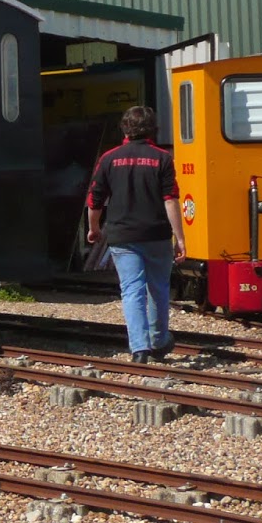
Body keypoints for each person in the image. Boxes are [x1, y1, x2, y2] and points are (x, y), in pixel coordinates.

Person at [86, 106, 186, 363]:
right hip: (156, 234)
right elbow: (170, 200)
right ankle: (159, 341)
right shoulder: (162, 158)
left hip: (122, 235)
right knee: (158, 289)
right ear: (153, 129)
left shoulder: (109, 158)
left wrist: (94, 228)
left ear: (125, 129)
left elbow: (95, 199)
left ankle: (139, 349)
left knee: (132, 290)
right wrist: (180, 238)